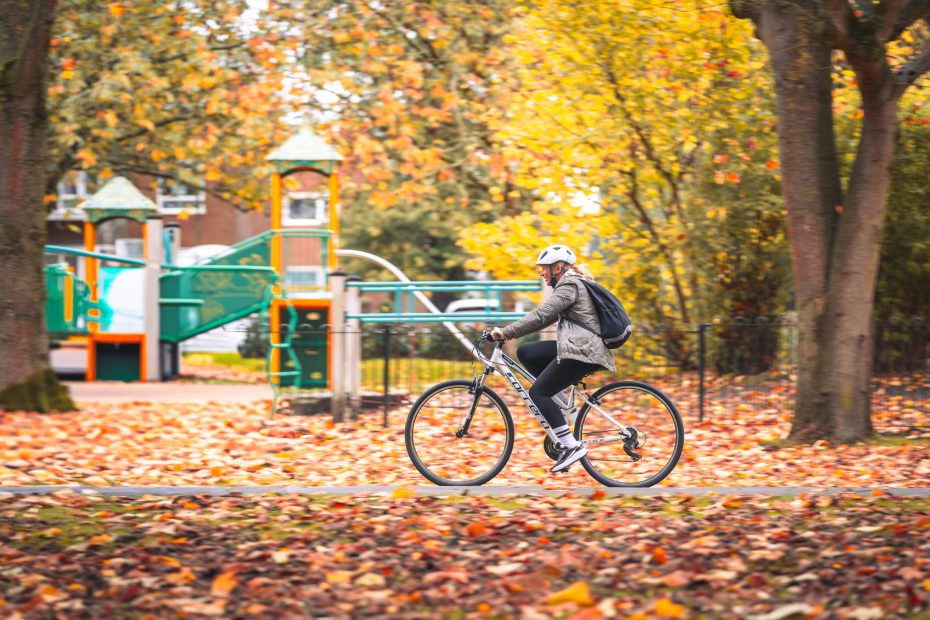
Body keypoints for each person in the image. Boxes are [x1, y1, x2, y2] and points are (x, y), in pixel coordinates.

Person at [489, 244, 615, 473]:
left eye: (544, 268)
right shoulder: (570, 284)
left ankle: (570, 445)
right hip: (578, 347)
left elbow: (541, 315)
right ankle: (560, 403)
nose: (542, 273)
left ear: (557, 267)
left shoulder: (570, 285)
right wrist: (512, 333)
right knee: (527, 353)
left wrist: (506, 332)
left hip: (583, 351)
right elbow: (547, 318)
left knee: (538, 392)